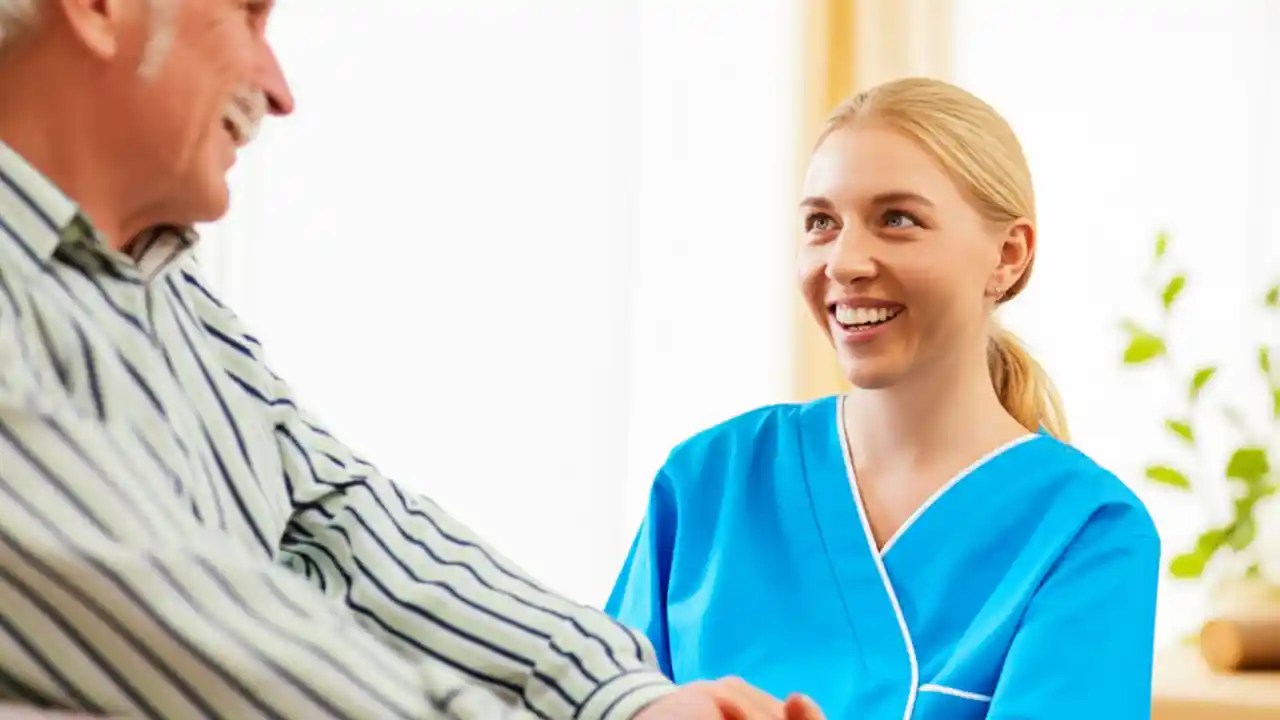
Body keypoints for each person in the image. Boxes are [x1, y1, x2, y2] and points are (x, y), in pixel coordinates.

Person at [0, 1, 828, 719]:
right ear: (99, 5)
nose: (280, 90)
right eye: (247, 14)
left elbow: (346, 522)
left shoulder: (163, 288)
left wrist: (625, 698)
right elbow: (184, 625)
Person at [605, 77, 1163, 719]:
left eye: (897, 220)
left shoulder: (1086, 531)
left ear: (1007, 256)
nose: (843, 261)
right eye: (821, 222)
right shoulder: (709, 482)